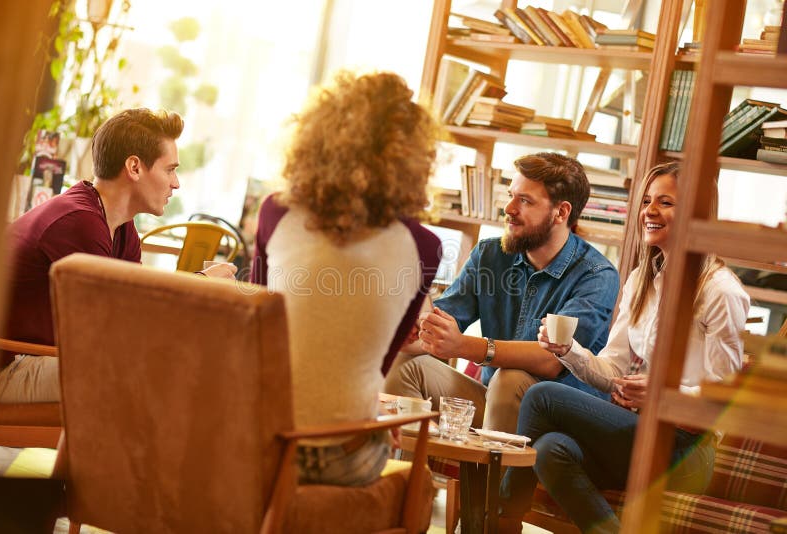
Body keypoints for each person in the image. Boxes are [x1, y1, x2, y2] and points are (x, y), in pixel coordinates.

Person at [500, 162, 750, 533]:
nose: (649, 211)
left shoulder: (720, 291)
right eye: (647, 200)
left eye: (665, 202)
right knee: (552, 449)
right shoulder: (641, 281)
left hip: (687, 450)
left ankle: (496, 521)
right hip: (639, 434)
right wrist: (567, 350)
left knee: (541, 397)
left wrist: (662, 396)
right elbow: (613, 372)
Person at [250, 71, 442, 486]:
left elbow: (256, 332)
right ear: (413, 160)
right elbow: (381, 362)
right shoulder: (423, 247)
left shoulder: (276, 213)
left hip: (256, 443)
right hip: (342, 456)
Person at [0, 108, 236, 403]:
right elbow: (121, 322)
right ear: (134, 167)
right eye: (170, 169)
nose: (176, 183)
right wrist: (200, 284)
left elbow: (136, 309)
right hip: (2, 367)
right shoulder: (79, 222)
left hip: (31, 356)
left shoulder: (121, 227)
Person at [384, 152, 620, 433]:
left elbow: (551, 361)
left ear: (561, 212)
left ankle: (491, 478)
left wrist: (462, 346)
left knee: (509, 379)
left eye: (525, 200)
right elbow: (435, 331)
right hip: (494, 400)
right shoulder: (490, 254)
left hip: (559, 419)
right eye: (511, 195)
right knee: (405, 364)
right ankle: (410, 473)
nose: (508, 208)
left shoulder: (596, 275)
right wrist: (409, 331)